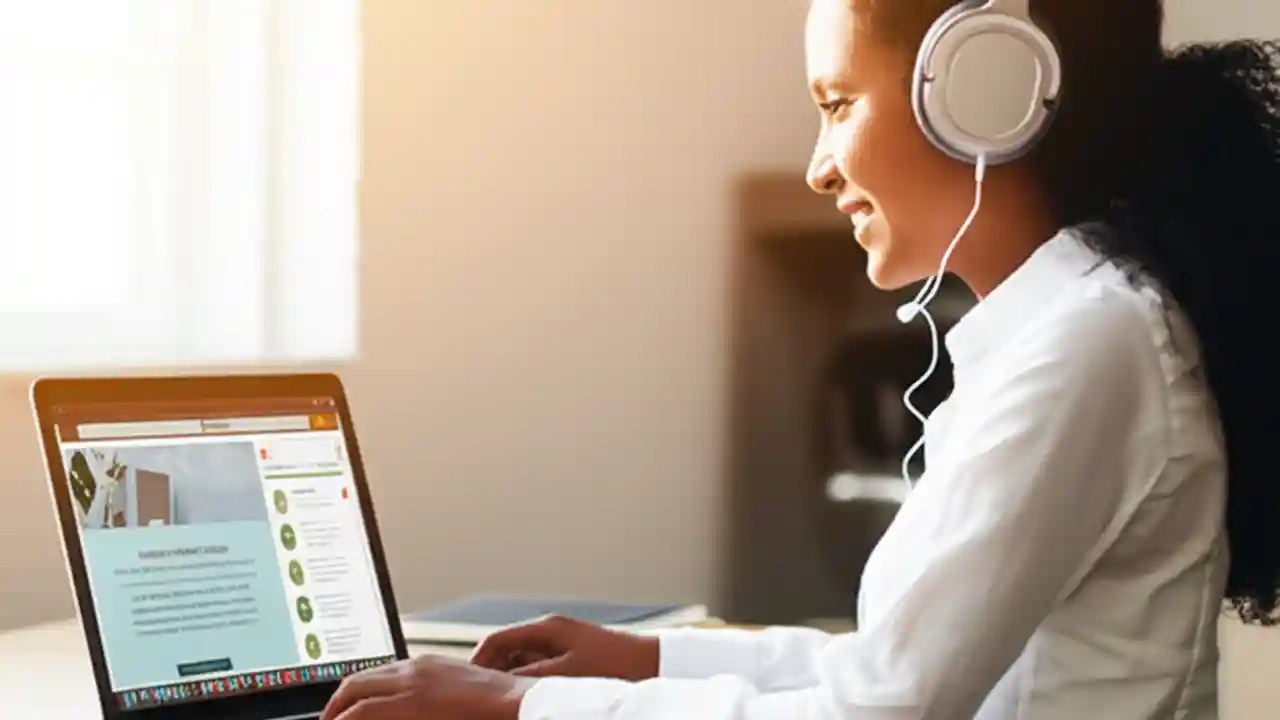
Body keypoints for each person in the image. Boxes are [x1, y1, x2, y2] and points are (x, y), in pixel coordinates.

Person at [320, 0, 1280, 718]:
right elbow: (883, 671)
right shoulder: (1064, 328)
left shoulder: (1088, 341)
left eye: (837, 103)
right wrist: (642, 661)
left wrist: (511, 707)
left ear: (987, 91)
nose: (820, 164)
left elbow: (881, 709)